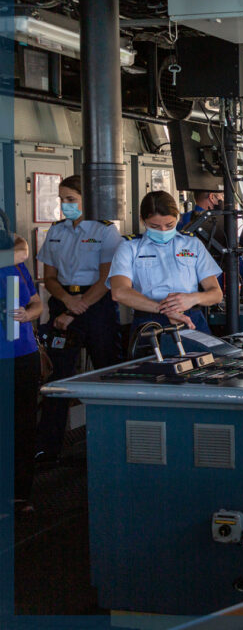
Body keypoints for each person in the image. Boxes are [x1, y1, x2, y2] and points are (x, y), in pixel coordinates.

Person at [33, 175, 123, 464]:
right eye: (61, 200)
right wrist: (67, 303)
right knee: (56, 380)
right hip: (63, 302)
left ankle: (116, 443)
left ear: (87, 200)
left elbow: (107, 277)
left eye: (70, 199)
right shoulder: (56, 232)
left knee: (108, 375)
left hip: (95, 306)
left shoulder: (106, 231)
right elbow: (48, 277)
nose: (64, 205)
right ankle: (47, 450)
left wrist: (76, 309)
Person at [108, 191, 223, 342]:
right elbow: (119, 292)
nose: (163, 231)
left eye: (169, 225)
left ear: (178, 218)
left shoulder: (192, 244)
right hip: (150, 322)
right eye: (155, 226)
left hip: (191, 319)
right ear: (143, 220)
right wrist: (164, 310)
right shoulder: (129, 247)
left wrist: (193, 298)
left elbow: (216, 294)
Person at [1, 209, 44, 515]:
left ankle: (19, 493)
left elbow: (36, 301)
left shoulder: (15, 263)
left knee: (24, 424)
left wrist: (30, 314)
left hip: (22, 353)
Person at [179, 189, 243, 296]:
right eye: (222, 196)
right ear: (212, 197)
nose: (224, 200)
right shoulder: (219, 224)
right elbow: (234, 256)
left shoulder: (181, 222)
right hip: (214, 290)